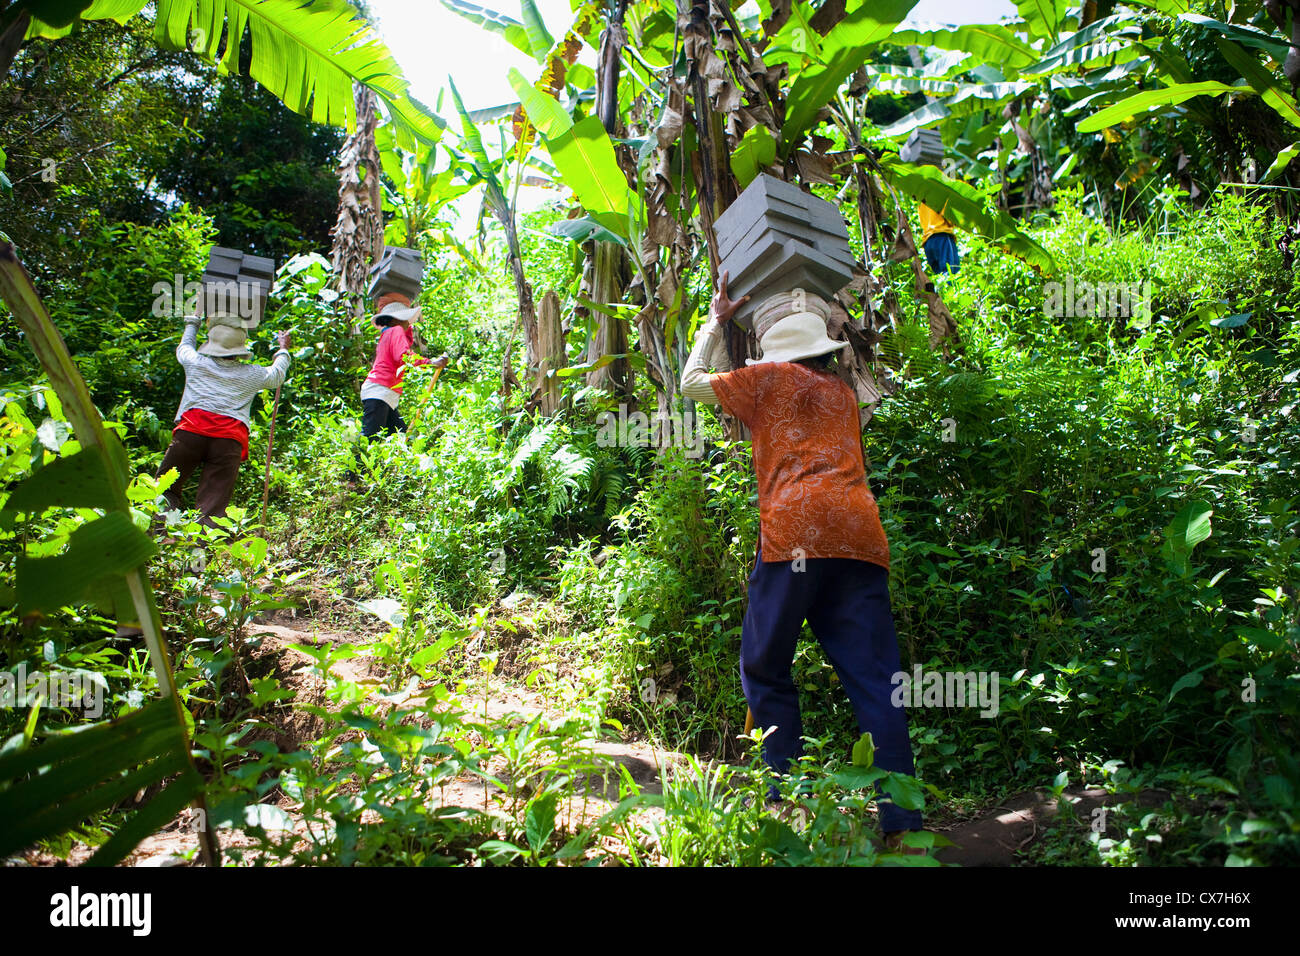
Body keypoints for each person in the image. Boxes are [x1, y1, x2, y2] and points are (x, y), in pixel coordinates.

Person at [680, 275, 925, 848]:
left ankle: (784, 802)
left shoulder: (764, 379)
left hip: (793, 535)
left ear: (776, 351)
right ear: (823, 352)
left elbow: (690, 382)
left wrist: (717, 319)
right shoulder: (842, 394)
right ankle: (904, 825)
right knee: (875, 681)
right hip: (861, 537)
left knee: (765, 667)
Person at [157, 314, 291, 526]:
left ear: (212, 344)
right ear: (239, 348)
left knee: (165, 489)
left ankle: (158, 538)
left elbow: (185, 346)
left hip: (190, 434)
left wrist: (193, 321)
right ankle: (199, 553)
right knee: (212, 504)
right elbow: (276, 375)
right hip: (227, 442)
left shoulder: (196, 362)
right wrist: (283, 348)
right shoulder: (251, 373)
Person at [359, 294, 446, 440]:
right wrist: (430, 363)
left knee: (399, 436)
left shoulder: (387, 334)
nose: (408, 322)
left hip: (384, 393)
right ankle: (354, 462)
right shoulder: (396, 331)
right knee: (370, 438)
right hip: (380, 390)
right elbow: (403, 356)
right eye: (405, 318)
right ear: (396, 319)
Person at [919, 200, 960, 275]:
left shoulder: (922, 203)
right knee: (951, 270)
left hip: (928, 242)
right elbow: (950, 217)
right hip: (941, 236)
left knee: (939, 275)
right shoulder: (940, 197)